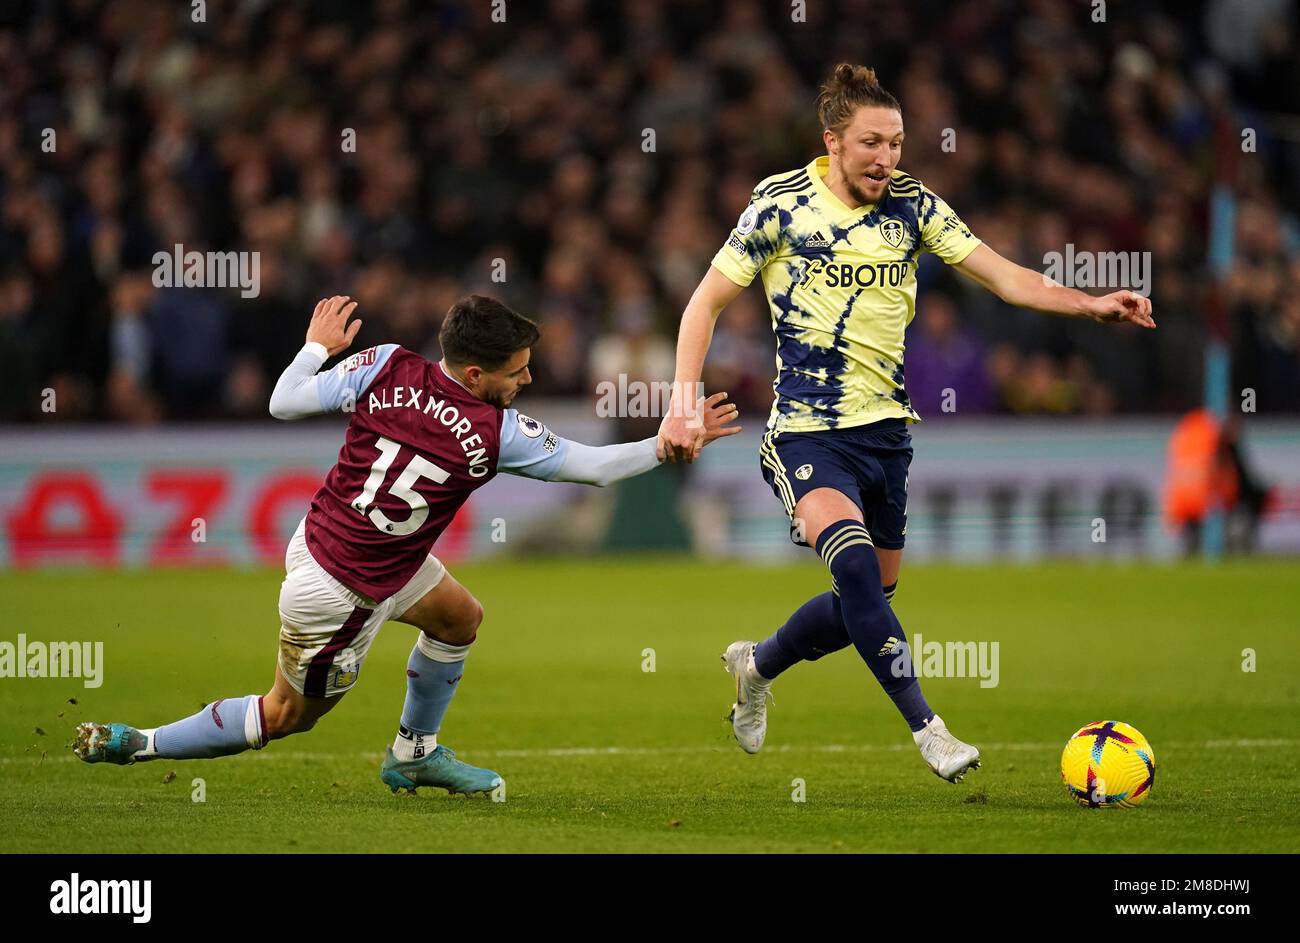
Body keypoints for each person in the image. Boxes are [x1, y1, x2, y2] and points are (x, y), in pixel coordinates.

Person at [658, 63, 1155, 782]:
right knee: (856, 567)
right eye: (871, 142)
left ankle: (757, 665)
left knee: (865, 599)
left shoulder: (914, 207)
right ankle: (930, 728)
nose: (886, 157)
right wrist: (682, 402)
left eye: (895, 143)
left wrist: (1091, 303)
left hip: (887, 436)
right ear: (832, 141)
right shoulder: (780, 207)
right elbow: (702, 304)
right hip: (806, 431)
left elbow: (1005, 276)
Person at [75, 294, 740, 795]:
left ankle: (414, 753)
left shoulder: (387, 363)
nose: (527, 381)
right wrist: (665, 445)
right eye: (517, 371)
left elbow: (283, 402)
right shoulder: (492, 431)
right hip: (343, 593)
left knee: (459, 616)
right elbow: (592, 467)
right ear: (475, 374)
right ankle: (139, 742)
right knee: (285, 715)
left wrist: (314, 347)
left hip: (328, 540)